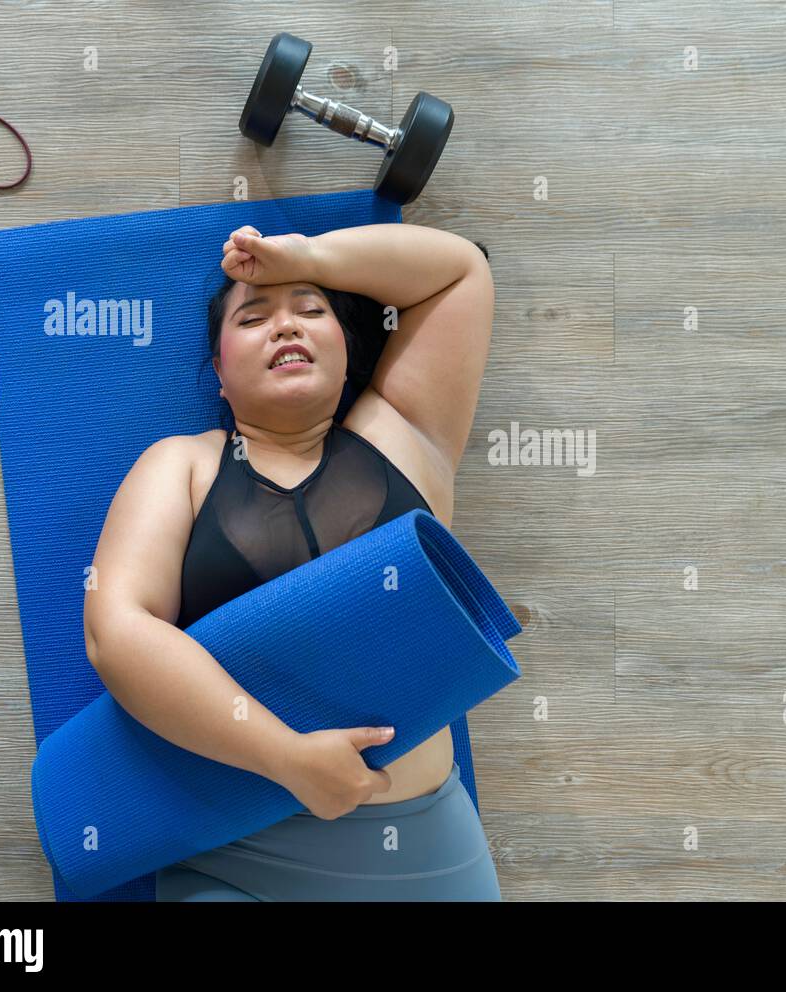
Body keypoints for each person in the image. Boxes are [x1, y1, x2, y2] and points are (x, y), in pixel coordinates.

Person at [81, 222, 501, 900]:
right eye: (254, 317)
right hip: (233, 843)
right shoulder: (180, 467)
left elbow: (460, 274)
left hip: (422, 846)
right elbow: (116, 631)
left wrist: (308, 256)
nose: (286, 326)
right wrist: (287, 758)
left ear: (345, 351)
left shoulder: (405, 436)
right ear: (218, 372)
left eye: (311, 310)